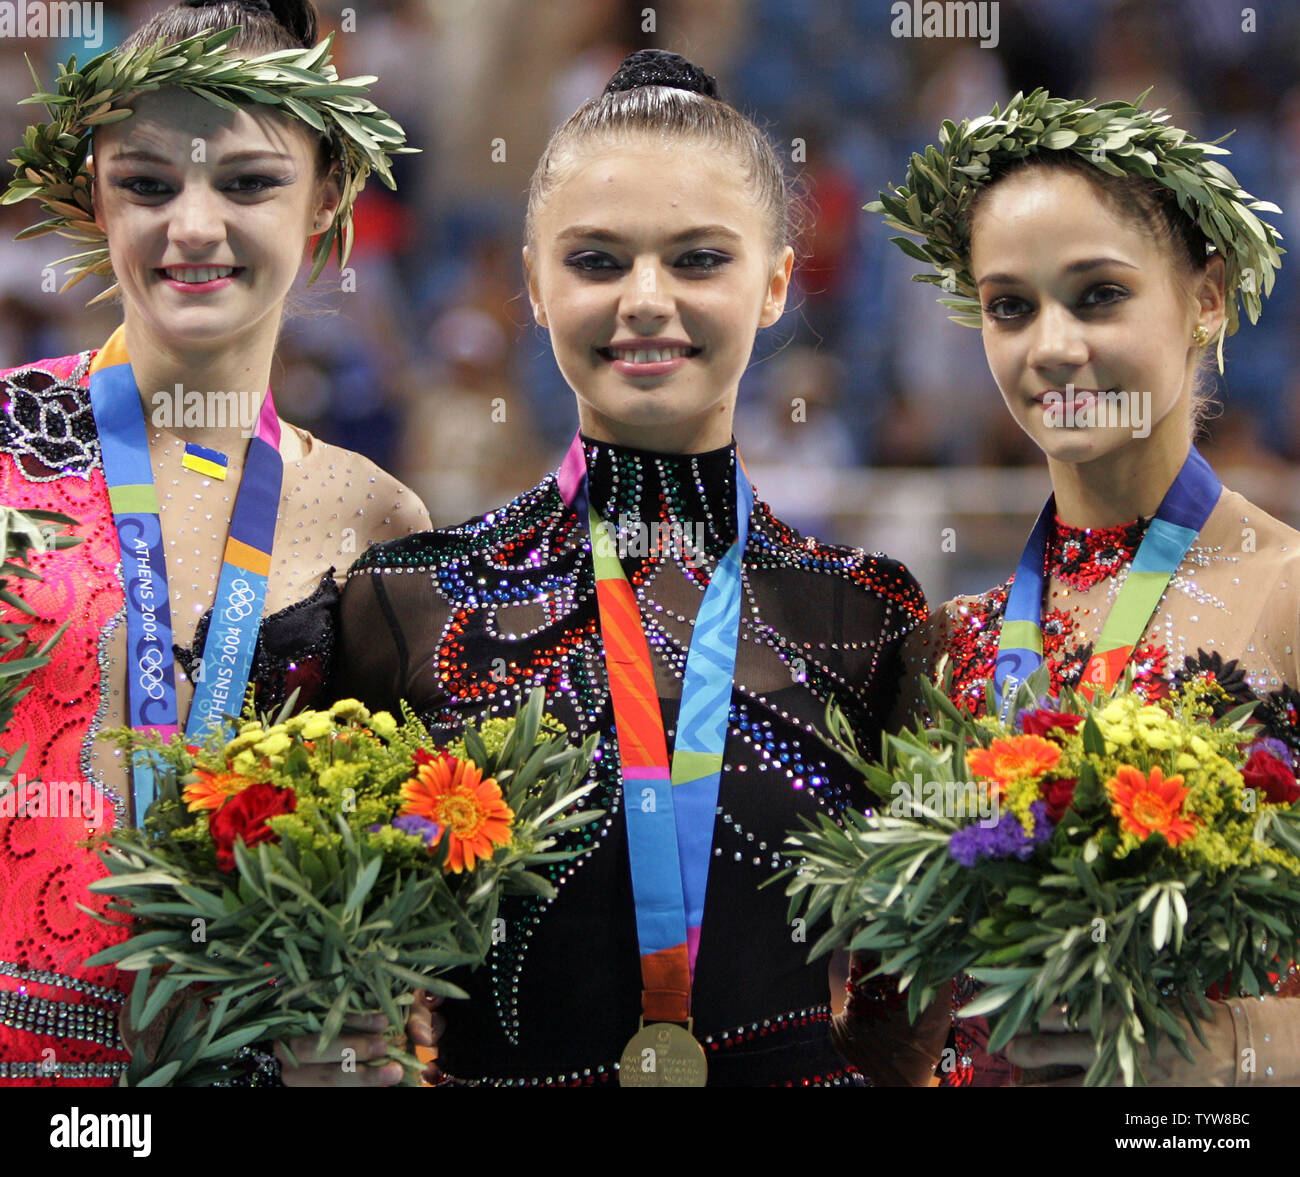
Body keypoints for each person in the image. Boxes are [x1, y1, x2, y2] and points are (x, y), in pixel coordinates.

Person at [341, 49, 946, 1087]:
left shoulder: (867, 613)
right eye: (597, 261)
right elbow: (346, 985)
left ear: (774, 283)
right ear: (533, 283)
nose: (646, 299)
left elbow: (905, 1025)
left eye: (699, 259)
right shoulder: (408, 599)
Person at [0, 0, 430, 1087]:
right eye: (147, 183)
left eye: (247, 183)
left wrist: (365, 1034)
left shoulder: (373, 518)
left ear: (327, 193)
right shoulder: (6, 447)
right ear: (88, 191)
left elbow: (398, 891)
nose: (192, 226)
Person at [876, 89, 1300, 1085]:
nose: (1052, 346)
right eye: (1010, 307)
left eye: (1097, 294)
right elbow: (895, 1032)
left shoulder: (1288, 594)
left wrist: (1230, 1057)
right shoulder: (949, 642)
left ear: (1205, 295)